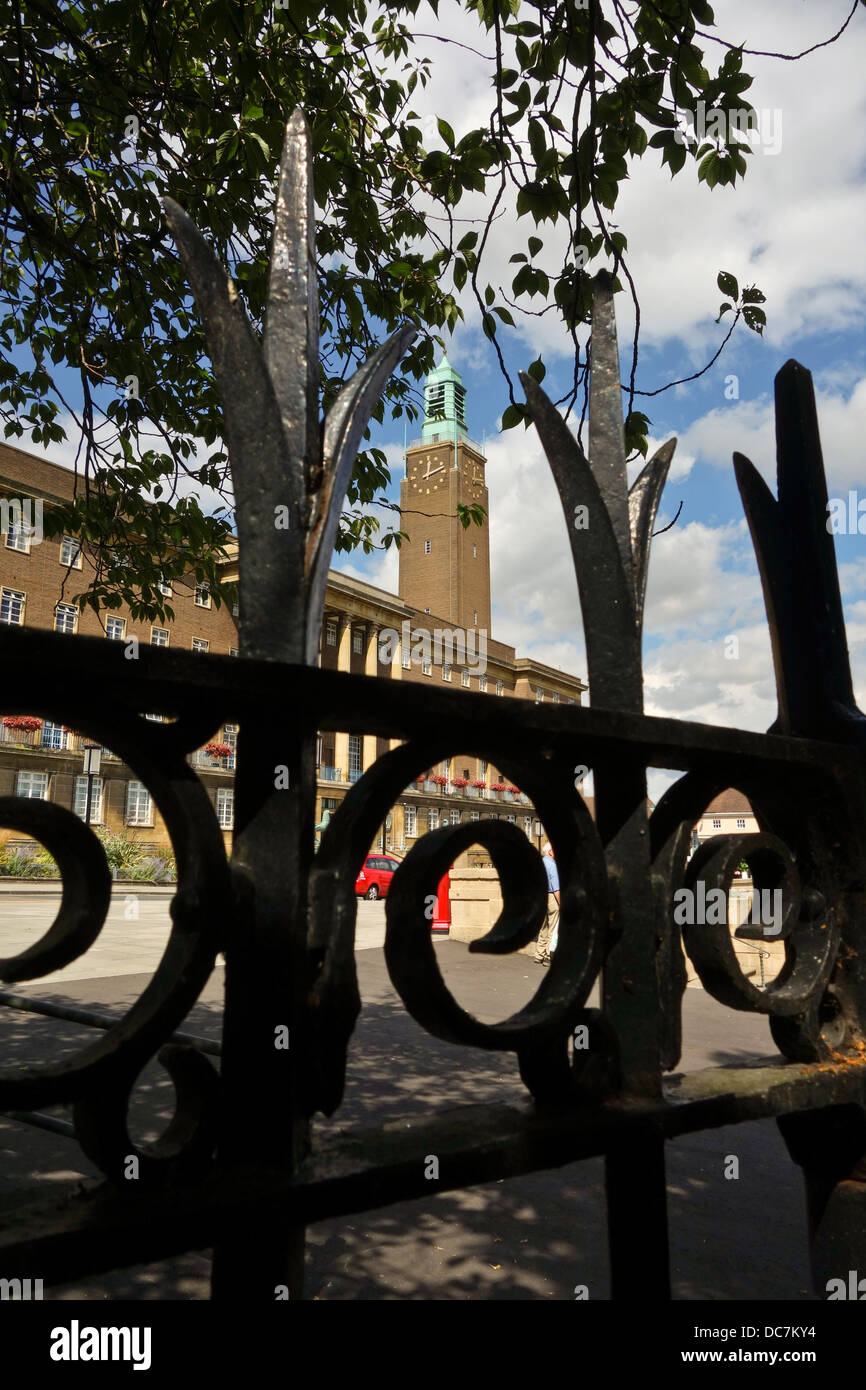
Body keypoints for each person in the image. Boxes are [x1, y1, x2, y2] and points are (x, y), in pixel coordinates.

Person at [534, 841, 560, 965]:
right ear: (550, 852)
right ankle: (548, 957)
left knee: (543, 926)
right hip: (551, 897)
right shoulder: (552, 865)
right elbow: (556, 889)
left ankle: (539, 955)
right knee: (552, 927)